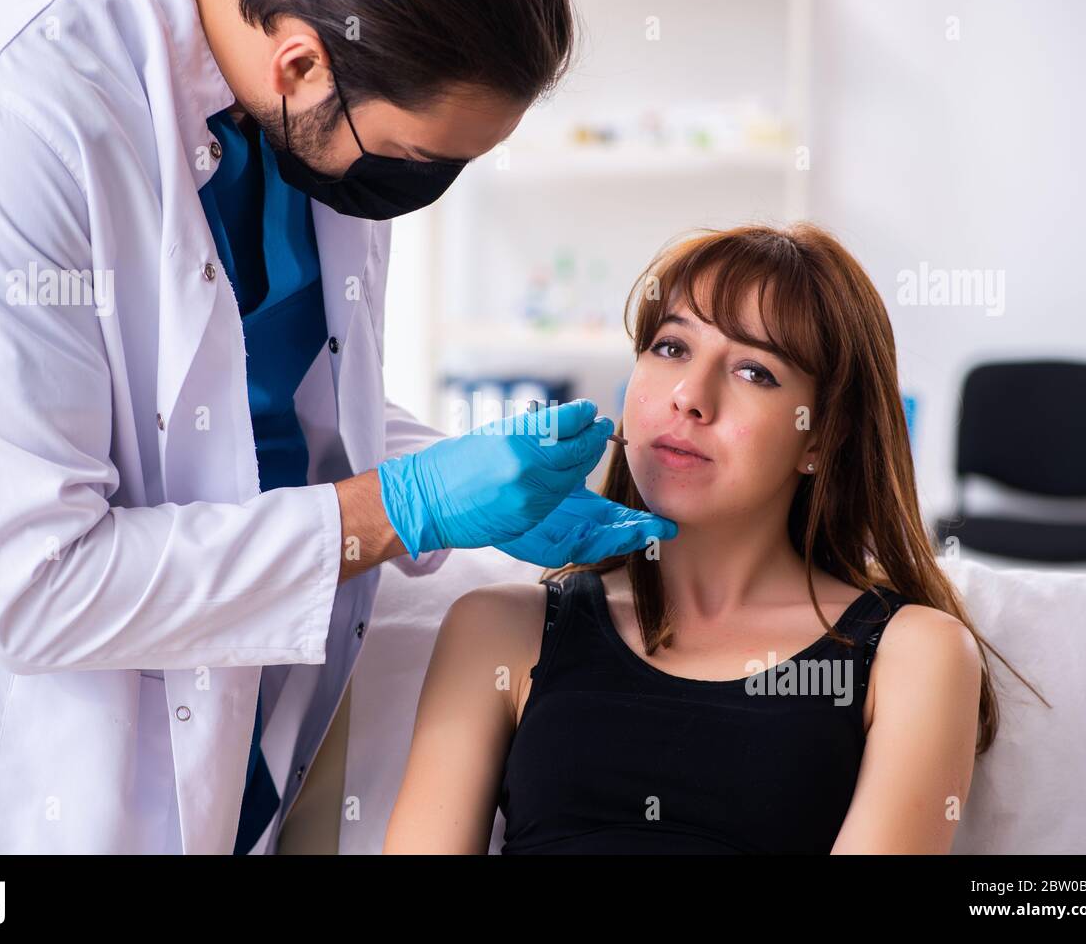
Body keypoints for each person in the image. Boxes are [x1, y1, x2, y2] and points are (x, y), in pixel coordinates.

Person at [0, 0, 677, 854]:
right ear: (299, 64)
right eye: (412, 157)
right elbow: (40, 585)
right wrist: (406, 506)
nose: (418, 186)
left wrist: (456, 471)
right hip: (22, 757)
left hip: (242, 726)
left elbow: (274, 407)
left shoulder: (309, 112)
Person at [384, 223, 1045, 854]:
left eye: (755, 371)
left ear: (821, 437)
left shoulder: (913, 654)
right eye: (671, 347)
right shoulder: (500, 628)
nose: (688, 397)